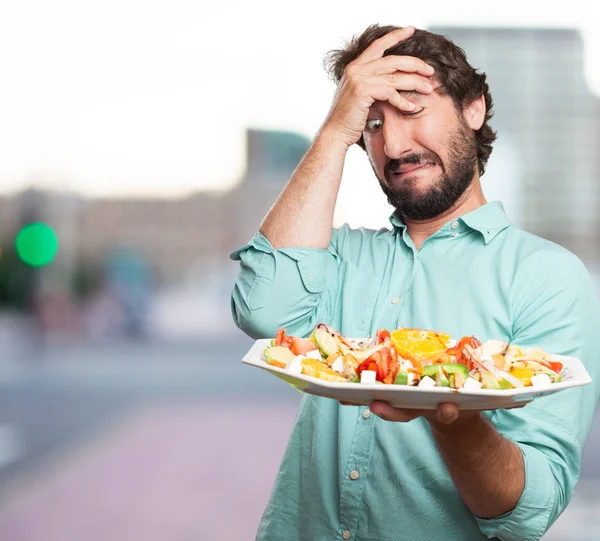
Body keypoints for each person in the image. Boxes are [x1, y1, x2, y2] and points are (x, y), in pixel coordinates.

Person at [229, 25, 600, 541]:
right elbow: (262, 311)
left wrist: (454, 418)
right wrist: (335, 130)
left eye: (412, 109)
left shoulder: (546, 276)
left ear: (473, 109)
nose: (394, 145)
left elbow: (528, 512)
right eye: (372, 124)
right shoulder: (334, 256)